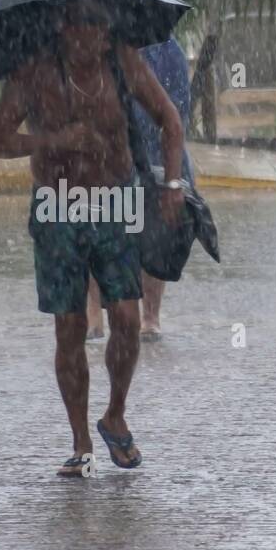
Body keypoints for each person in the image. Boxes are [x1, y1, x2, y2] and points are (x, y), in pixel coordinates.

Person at [0, 1, 185, 477]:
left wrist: (174, 185)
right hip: (57, 208)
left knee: (127, 319)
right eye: (80, 29)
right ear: (62, 29)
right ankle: (79, 443)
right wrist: (55, 141)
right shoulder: (33, 70)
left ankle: (114, 413)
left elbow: (170, 121)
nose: (89, 41)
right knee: (69, 325)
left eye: (99, 29)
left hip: (116, 201)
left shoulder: (123, 61)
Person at [87, 35, 194, 342]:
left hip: (154, 153)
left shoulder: (167, 49)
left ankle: (150, 316)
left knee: (155, 233)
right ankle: (93, 312)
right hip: (103, 152)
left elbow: (177, 109)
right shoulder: (90, 45)